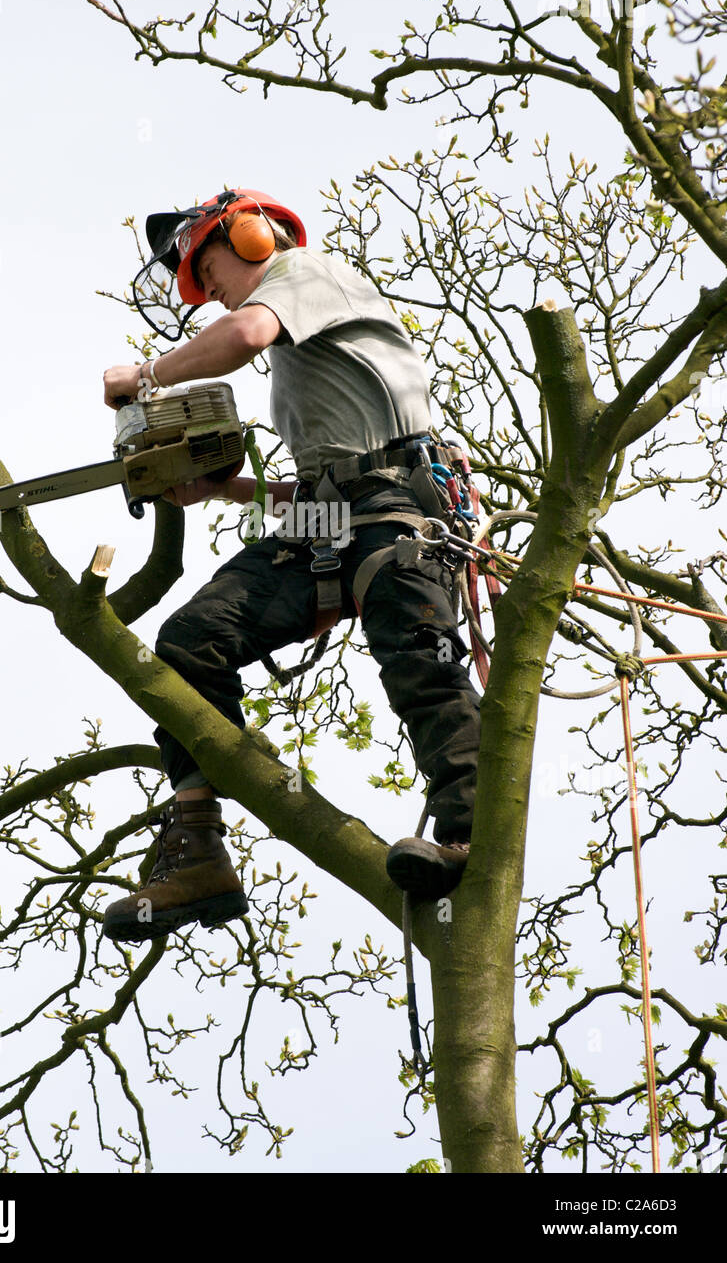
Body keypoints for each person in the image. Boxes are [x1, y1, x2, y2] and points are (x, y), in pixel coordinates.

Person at [100, 189, 481, 942]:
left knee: (418, 660)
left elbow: (242, 334)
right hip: (329, 525)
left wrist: (146, 377)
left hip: (400, 514)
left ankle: (468, 837)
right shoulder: (296, 357)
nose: (209, 293)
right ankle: (196, 848)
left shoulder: (307, 274)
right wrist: (226, 489)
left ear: (248, 235)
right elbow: (317, 496)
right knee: (189, 640)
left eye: (207, 271)